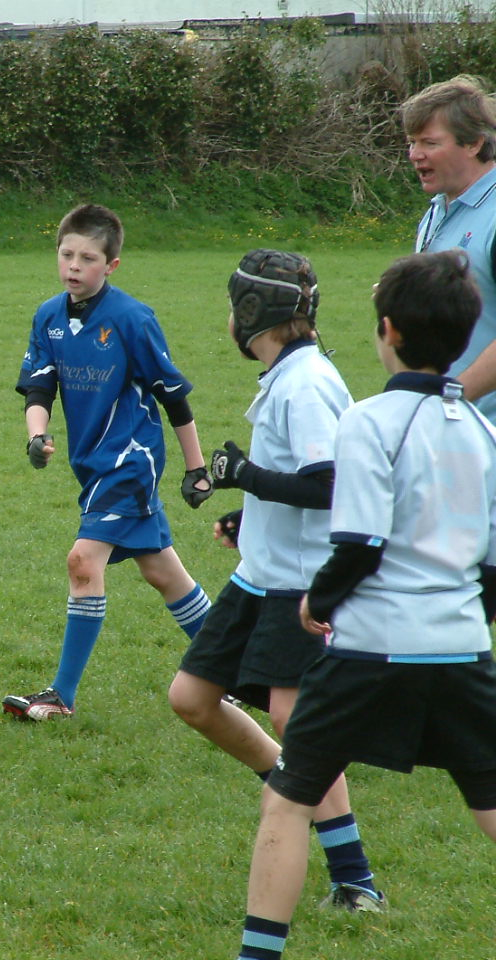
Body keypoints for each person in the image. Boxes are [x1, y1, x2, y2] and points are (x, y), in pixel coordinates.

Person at [232, 250, 496, 960]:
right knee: (490, 802)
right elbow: (492, 564)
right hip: (463, 646)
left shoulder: (369, 421)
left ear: (387, 330)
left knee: (290, 797)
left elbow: (360, 542)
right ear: (467, 337)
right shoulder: (482, 430)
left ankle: (258, 954)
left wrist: (318, 600)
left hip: (370, 645)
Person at [167, 250, 384, 913]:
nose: (230, 319)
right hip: (260, 576)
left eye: (235, 306)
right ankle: (293, 787)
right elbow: (297, 482)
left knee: (295, 718)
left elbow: (330, 484)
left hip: (297, 585)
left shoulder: (306, 382)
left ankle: (355, 880)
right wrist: (251, 513)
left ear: (254, 311)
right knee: (193, 699)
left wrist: (245, 478)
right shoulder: (286, 374)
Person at [1, 203, 213, 722]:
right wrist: (37, 435)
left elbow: (174, 398)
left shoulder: (132, 319)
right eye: (66, 253)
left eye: (88, 257)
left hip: (130, 462)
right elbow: (38, 385)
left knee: (83, 562)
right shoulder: (48, 316)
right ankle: (236, 668)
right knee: (164, 573)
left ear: (111, 265)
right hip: (91, 464)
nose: (74, 265)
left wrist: (196, 468)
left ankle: (62, 694)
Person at [403, 74, 496, 420]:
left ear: (473, 143)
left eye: (429, 143)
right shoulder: (437, 212)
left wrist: (451, 397)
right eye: (411, 143)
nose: (415, 155)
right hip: (451, 429)